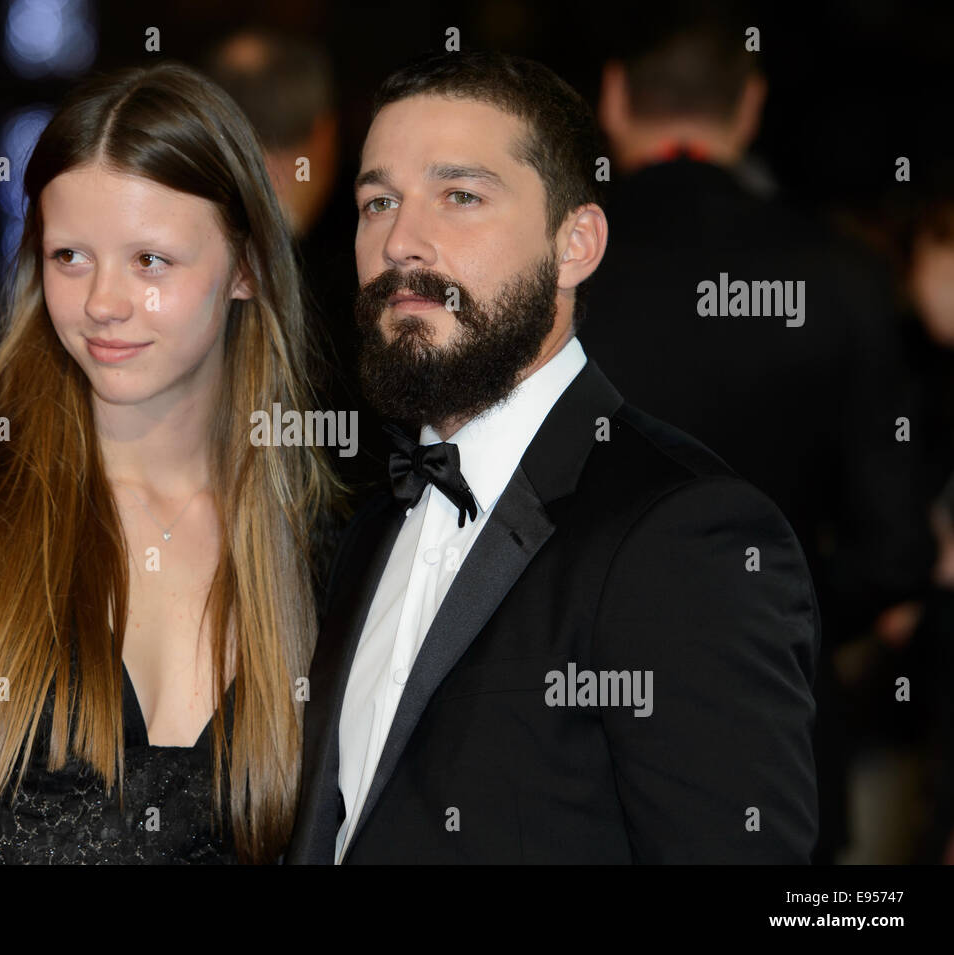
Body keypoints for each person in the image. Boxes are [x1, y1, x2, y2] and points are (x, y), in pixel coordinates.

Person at [287, 50, 819, 864]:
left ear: (576, 244)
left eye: (459, 195)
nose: (401, 240)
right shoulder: (368, 525)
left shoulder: (683, 534)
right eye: (377, 201)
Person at [0, 61, 344, 865]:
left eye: (149, 261)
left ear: (247, 268)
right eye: (69, 256)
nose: (102, 301)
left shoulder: (322, 556)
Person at [582, 5, 932, 862]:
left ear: (615, 97)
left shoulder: (556, 274)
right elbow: (896, 551)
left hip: (583, 745)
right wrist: (774, 615)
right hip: (780, 745)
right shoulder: (844, 275)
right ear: (751, 105)